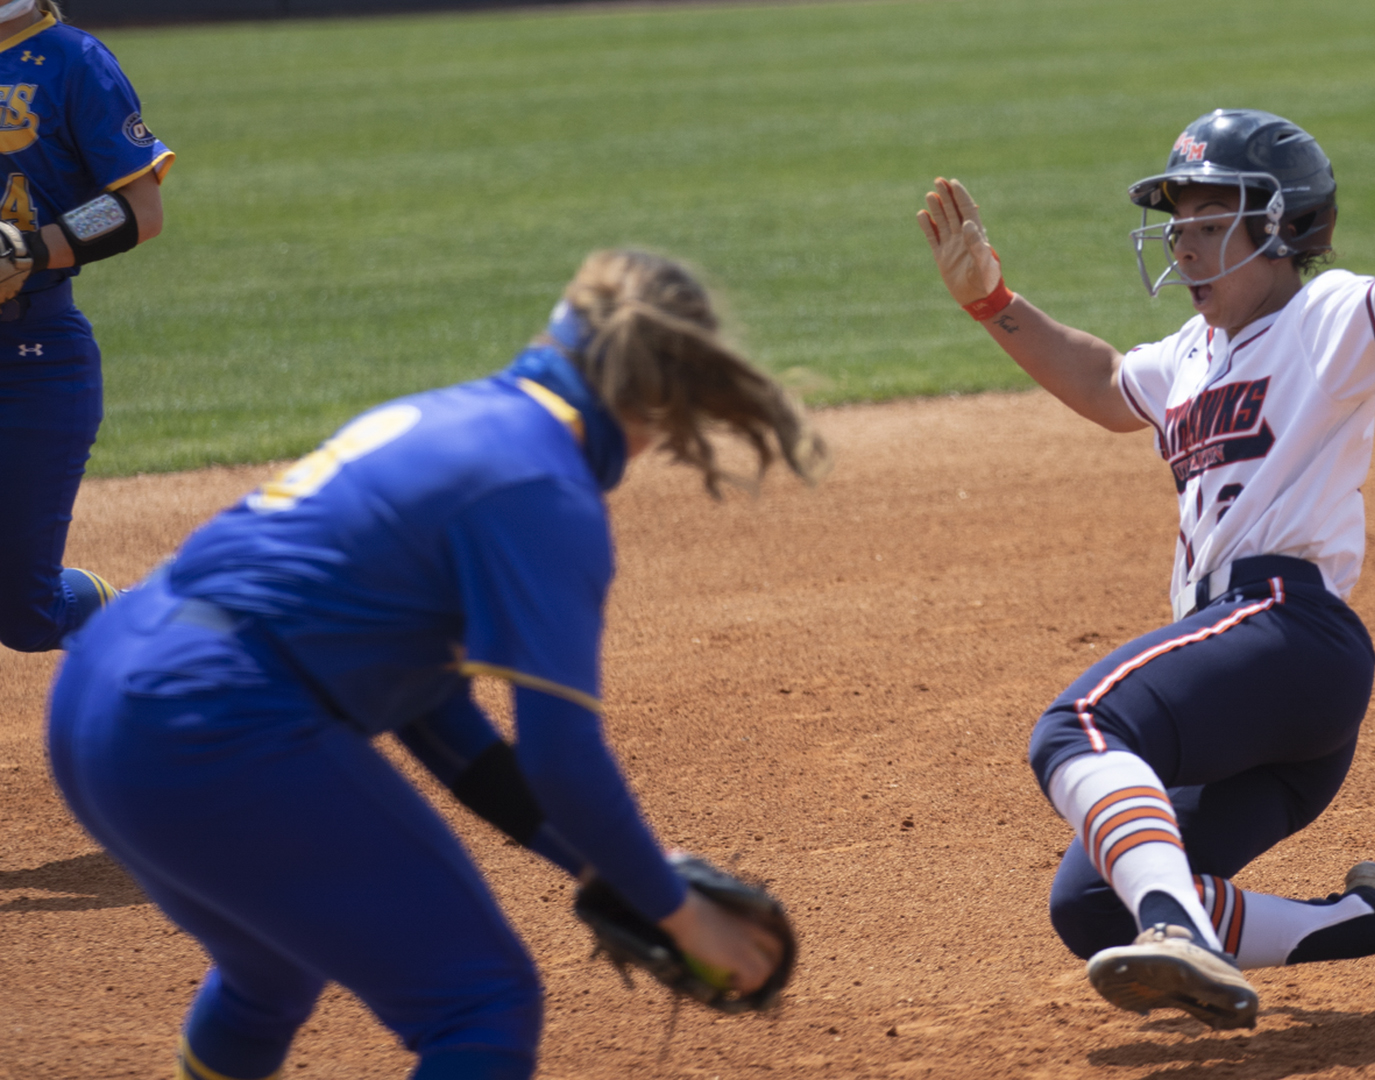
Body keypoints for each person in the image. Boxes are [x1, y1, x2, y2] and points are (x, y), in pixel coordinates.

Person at [47, 249, 827, 1080]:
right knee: (482, 1004)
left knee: (268, 970)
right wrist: (677, 915)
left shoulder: (455, 418)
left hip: (97, 695)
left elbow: (442, 724)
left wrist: (614, 870)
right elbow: (563, 756)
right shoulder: (543, 488)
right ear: (663, 401)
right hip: (211, 718)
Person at [917, 21, 1375, 1030]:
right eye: (1180, 224)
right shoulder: (1187, 356)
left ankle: (1176, 928)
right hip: (1260, 701)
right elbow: (1102, 380)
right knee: (1087, 906)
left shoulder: (1329, 320)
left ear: (1284, 227)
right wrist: (991, 299)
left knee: (1077, 726)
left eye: (1214, 220)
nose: (1188, 241)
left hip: (1292, 633)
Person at [0, 0, 171, 652]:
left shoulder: (73, 61)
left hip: (28, 359)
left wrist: (30, 249)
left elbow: (138, 210)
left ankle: (155, 622)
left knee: (26, 613)